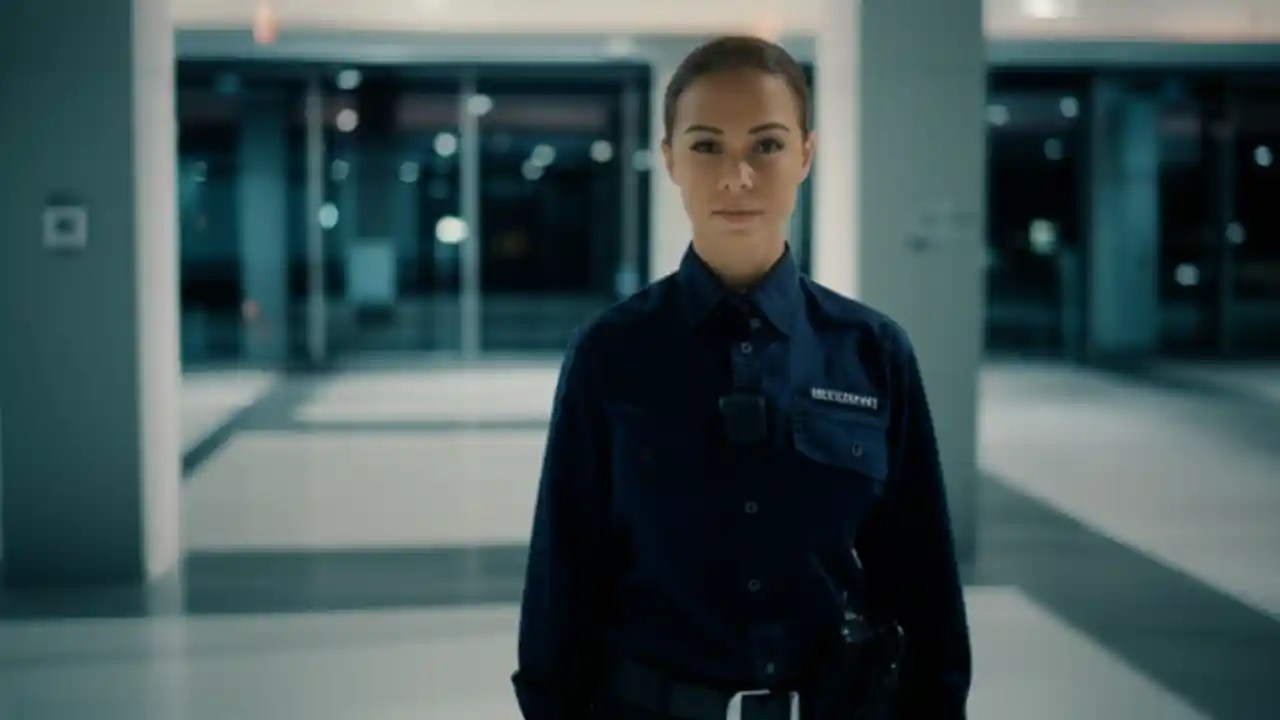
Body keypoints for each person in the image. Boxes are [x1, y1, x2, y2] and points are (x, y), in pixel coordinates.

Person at [512, 35, 971, 720]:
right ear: (668, 157)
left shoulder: (872, 352)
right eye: (705, 146)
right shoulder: (611, 353)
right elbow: (563, 580)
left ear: (806, 155)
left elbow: (922, 581)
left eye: (766, 144)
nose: (737, 176)